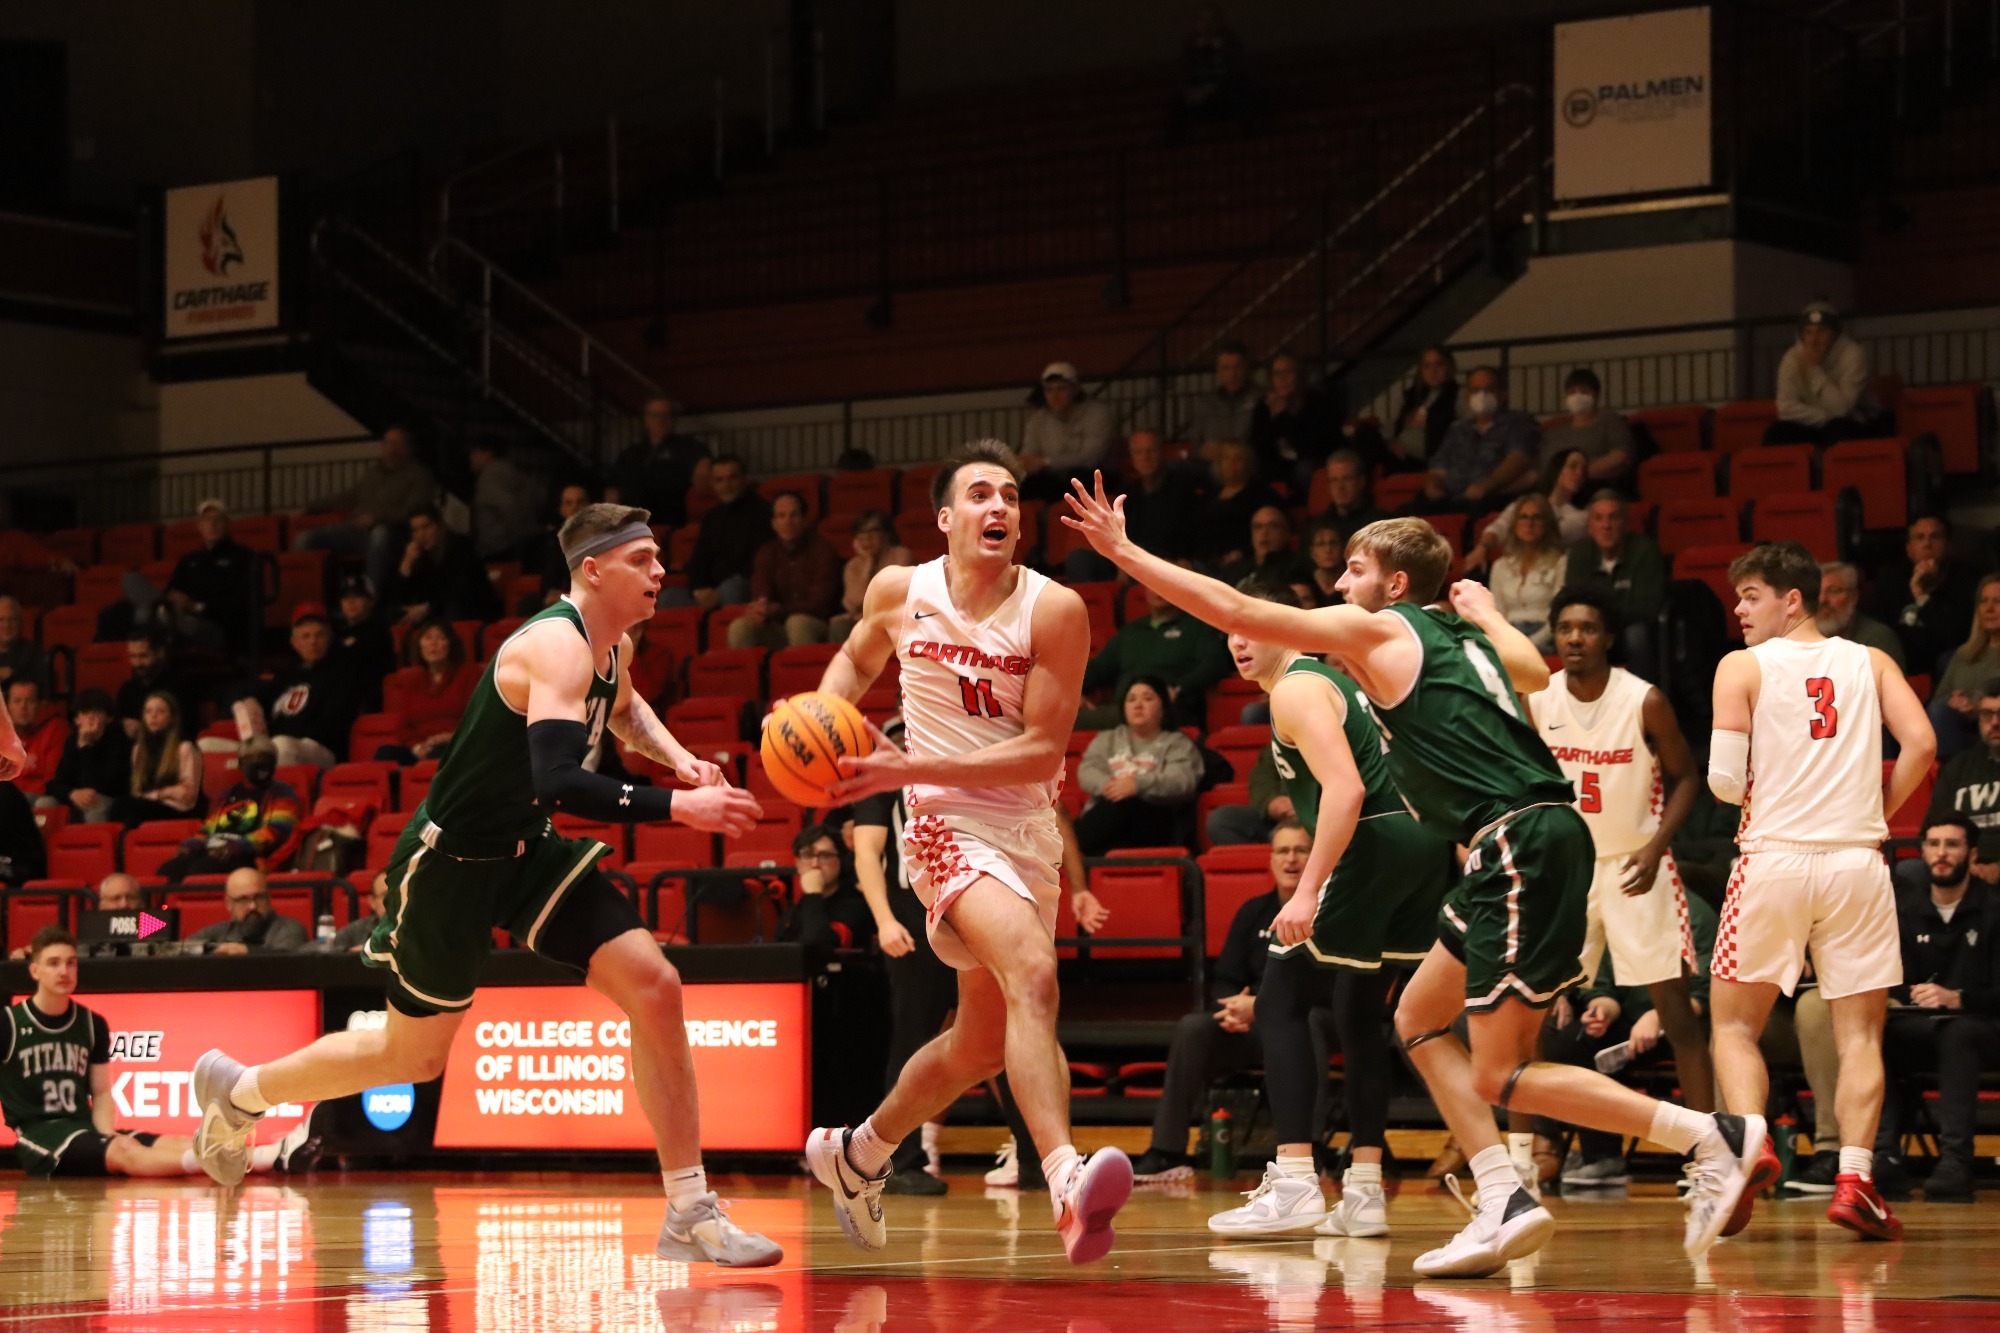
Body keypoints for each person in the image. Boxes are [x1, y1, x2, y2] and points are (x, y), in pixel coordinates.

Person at [1060, 489, 1769, 1275]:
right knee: (1419, 1016)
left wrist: (1124, 554)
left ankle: (1712, 1136)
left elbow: (1237, 606)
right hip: (1524, 841)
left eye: (1354, 569)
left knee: (1502, 1070)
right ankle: (1503, 1192)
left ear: (1393, 585)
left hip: (1516, 840)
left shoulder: (1380, 629)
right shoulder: (1462, 630)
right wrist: (1490, 609)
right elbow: (1535, 668)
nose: (1338, 585)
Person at [189, 501, 777, 1269]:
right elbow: (560, 778)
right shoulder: (554, 646)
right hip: (451, 865)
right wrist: (679, 803)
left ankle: (689, 1208)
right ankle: (243, 1092)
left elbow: (626, 710)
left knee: (656, 984)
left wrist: (679, 758)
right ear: (592, 570)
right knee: (413, 1056)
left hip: (523, 848)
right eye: (642, 559)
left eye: (660, 557)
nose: (661, 571)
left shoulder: (612, 646)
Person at [802, 439, 1133, 1265]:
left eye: (1011, 497)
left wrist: (907, 757)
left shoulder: (1054, 609)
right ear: (946, 519)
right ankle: (1064, 1177)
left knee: (981, 1043)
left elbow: (1040, 753)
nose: (999, 508)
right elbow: (853, 657)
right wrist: (817, 720)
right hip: (941, 821)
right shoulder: (897, 591)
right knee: (1035, 972)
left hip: (1024, 824)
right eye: (980, 494)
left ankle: (859, 1152)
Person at [1707, 541, 1935, 1241]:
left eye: (1750, 595)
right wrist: (1876, 811)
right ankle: (1857, 1178)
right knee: (1860, 1031)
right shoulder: (1871, 661)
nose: (1739, 610)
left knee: (1734, 1024)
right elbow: (1923, 743)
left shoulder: (1741, 667)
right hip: (1857, 862)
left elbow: (1722, 779)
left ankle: (1751, 1147)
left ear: (1792, 598)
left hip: (1774, 857)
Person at [1203, 606, 1455, 1239]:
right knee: (1357, 1012)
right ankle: (1365, 1189)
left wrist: (1307, 889)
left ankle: (1294, 1178)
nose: (1240, 639)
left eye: (1252, 625)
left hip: (1372, 841)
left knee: (1281, 999)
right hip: (1421, 844)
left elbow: (1345, 792)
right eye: (1231, 630)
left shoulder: (1297, 687)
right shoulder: (1335, 681)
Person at [1529, 586, 1713, 1130]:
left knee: (1675, 1011)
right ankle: (1526, 1157)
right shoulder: (1538, 697)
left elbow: (1686, 778)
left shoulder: (1644, 699)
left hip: (1634, 865)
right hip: (1567, 867)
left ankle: (1707, 1146)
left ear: (1608, 638)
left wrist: (1656, 848)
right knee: (1530, 1007)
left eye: (1587, 628)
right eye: (1565, 629)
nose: (1575, 638)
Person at [1, 926, 313, 1178]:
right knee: (126, 1152)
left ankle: (275, 1155)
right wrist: (110, 1143)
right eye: (53, 963)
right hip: (40, 1136)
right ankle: (250, 1160)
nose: (64, 971)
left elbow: (103, 1093)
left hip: (82, 1125)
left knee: (175, 1141)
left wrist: (105, 1135)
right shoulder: (10, 1023)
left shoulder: (91, 1022)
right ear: (34, 971)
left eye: (71, 963)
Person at [1129, 819, 1315, 1183]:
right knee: (1194, 1028)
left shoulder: (1325, 913)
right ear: (1271, 860)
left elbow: (1327, 988)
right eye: (1282, 850)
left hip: (1304, 1028)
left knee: (1314, 1024)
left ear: (1316, 858)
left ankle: (1311, 1151)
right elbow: (1226, 977)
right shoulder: (1252, 912)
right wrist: (1232, 1009)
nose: (1291, 859)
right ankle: (1167, 1151)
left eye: (1301, 850)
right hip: (1252, 1029)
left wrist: (1259, 1006)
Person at [848, 716, 956, 1196]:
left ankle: (1037, 1157)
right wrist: (884, 920)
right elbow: (866, 854)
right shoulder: (880, 780)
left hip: (966, 905)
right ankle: (900, 1157)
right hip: (911, 916)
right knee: (913, 1035)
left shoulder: (958, 766)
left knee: (992, 1031)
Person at [1542, 892, 1718, 1188]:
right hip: (1629, 1022)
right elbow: (1599, 977)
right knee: (1572, 1040)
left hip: (1692, 1019)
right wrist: (1602, 1007)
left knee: (1688, 1035)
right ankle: (1601, 1157)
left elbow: (1709, 986)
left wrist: (1659, 1016)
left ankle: (1705, 1158)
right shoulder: (1611, 908)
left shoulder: (1692, 912)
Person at [1874, 815, 1995, 1201]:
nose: (1942, 854)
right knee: (1877, 1031)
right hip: (1922, 1026)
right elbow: (1896, 977)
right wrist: (1908, 996)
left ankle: (1956, 1161)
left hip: (1984, 1028)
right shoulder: (1906, 909)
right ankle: (1883, 1158)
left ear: (1971, 854)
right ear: (1922, 850)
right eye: (1934, 844)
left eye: (1952, 845)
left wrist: (1959, 998)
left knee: (1959, 1032)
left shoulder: (1993, 909)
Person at [293, 426, 439, 594]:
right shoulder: (373, 473)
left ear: (408, 448)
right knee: (305, 539)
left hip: (396, 533)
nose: (391, 449)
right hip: (358, 532)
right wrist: (311, 506)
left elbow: (415, 510)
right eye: (388, 443)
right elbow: (348, 497)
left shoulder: (420, 475)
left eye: (397, 444)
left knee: (380, 535)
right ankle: (313, 597)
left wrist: (376, 519)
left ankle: (369, 596)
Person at [1073, 677, 1203, 855]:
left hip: (1154, 818)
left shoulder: (1177, 743)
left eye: (1147, 698)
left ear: (1163, 707)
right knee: (1112, 836)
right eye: (1131, 699)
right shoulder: (1107, 739)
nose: (1138, 705)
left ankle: (1069, 847)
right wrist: (1112, 786)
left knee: (1123, 805)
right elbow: (1086, 771)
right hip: (1107, 818)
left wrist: (1136, 785)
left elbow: (1181, 781)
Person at [1078, 583, 1231, 730]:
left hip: (1171, 707)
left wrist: (1179, 689)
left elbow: (1214, 664)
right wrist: (1074, 694)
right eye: (1152, 583)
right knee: (1065, 716)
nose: (1158, 589)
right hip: (1124, 707)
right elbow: (1097, 669)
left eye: (1165, 584)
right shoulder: (1131, 631)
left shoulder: (1197, 627)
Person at [233, 606, 360, 769]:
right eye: (306, 636)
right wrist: (249, 700)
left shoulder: (341, 673)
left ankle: (277, 794)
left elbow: (331, 726)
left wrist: (277, 734)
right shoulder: (287, 674)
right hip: (278, 743)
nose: (313, 641)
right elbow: (255, 692)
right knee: (207, 745)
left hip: (321, 749)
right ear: (295, 643)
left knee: (281, 746)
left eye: (319, 635)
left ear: (329, 638)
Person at [158, 738, 303, 878]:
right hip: (213, 849)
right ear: (241, 764)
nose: (258, 762)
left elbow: (277, 831)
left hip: (247, 856)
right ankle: (167, 905)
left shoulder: (282, 792)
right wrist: (191, 845)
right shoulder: (229, 794)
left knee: (201, 870)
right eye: (251, 758)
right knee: (168, 870)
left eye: (264, 757)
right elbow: (208, 828)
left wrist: (236, 847)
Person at [1068, 430, 1199, 581]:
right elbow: (1119, 535)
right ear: (1132, 457)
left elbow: (1188, 539)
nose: (1145, 457)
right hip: (1129, 558)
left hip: (1164, 562)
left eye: (1151, 451)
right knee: (1079, 559)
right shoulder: (1127, 492)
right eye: (1139, 452)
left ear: (1162, 452)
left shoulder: (1182, 490)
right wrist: (1122, 562)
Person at [1562, 492, 1667, 667]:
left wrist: (1603, 616)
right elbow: (1573, 601)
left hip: (1628, 630)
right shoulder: (1580, 555)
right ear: (1590, 526)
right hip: (1591, 628)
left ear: (1625, 524)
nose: (1606, 525)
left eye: (1613, 518)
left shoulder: (1646, 552)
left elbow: (1647, 608)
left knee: (1637, 635)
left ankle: (1641, 693)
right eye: (1598, 518)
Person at [727, 492, 842, 649]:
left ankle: (805, 673)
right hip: (778, 624)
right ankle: (748, 673)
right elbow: (761, 593)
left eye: (793, 515)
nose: (788, 522)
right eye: (781, 516)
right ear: (774, 523)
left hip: (819, 623)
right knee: (739, 627)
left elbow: (819, 604)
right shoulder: (766, 552)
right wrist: (761, 608)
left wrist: (779, 609)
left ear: (804, 520)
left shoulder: (823, 550)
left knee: (797, 623)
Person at [1768, 302, 1885, 447]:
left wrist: (1814, 370)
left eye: (1821, 332)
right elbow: (1785, 408)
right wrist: (1824, 416)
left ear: (1834, 335)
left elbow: (1842, 410)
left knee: (1839, 430)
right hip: (1814, 422)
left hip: (1857, 423)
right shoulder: (1792, 358)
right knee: (1777, 433)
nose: (1814, 340)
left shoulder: (1852, 355)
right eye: (1808, 332)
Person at [1424, 366, 1538, 510]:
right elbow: (1438, 468)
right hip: (1450, 499)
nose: (1482, 395)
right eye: (1475, 390)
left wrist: (1487, 485)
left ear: (1503, 394)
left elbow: (1518, 457)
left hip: (1493, 498)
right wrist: (1434, 486)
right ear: (1467, 396)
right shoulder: (1458, 429)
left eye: (1489, 389)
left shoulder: (1518, 422)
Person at [1917, 679, 2000, 876]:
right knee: (1908, 871)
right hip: (1960, 869)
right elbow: (1932, 826)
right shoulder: (1959, 767)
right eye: (1987, 715)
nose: (1995, 722)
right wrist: (1963, 867)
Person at [164, 498, 258, 657]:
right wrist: (175, 601)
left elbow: (238, 604)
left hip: (219, 627)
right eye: (207, 520)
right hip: (181, 615)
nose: (212, 525)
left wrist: (195, 607)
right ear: (199, 526)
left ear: (228, 524)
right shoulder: (190, 560)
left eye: (218, 520)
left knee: (165, 621)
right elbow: (173, 589)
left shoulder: (243, 557)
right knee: (132, 585)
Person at [382, 505, 497, 625]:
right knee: (392, 614)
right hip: (433, 612)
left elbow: (461, 590)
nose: (421, 535)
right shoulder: (418, 557)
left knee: (453, 609)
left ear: (440, 526)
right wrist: (405, 566)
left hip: (468, 609)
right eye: (416, 530)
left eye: (426, 527)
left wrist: (427, 608)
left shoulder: (461, 547)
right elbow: (397, 597)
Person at [1926, 573, 2000, 760]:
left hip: (1993, 726)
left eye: (1997, 601)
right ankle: (1947, 778)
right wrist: (1955, 700)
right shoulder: (1964, 654)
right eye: (1984, 602)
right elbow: (1940, 698)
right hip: (1958, 733)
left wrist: (1977, 707)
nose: (1989, 608)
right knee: (1939, 710)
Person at [382, 618, 477, 762]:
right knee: (385, 753)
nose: (434, 644)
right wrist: (417, 746)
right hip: (423, 747)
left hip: (456, 745)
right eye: (428, 638)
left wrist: (452, 736)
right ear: (420, 646)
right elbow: (404, 726)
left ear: (451, 644)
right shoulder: (412, 680)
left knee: (440, 752)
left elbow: (478, 718)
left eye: (440, 638)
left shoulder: (469, 674)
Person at [606, 398, 711, 528]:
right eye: (656, 415)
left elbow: (703, 478)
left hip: (673, 522)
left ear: (673, 419)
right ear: (646, 419)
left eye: (666, 415)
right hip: (634, 524)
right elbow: (613, 489)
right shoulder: (630, 454)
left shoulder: (690, 449)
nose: (661, 420)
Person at [1483, 494, 1567, 652]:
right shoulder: (1500, 566)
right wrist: (1508, 641)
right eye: (1523, 517)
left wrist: (1528, 644)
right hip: (1509, 635)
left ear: (1547, 524)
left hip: (1544, 636)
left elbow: (1559, 616)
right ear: (1515, 524)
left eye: (1536, 518)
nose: (1529, 524)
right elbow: (1498, 614)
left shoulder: (1560, 563)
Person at [683, 455, 770, 609]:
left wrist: (717, 592)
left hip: (744, 585)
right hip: (712, 589)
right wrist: (698, 589)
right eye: (719, 480)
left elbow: (760, 561)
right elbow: (699, 559)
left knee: (732, 589)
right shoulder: (711, 517)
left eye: (732, 478)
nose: (726, 486)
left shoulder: (763, 512)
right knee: (668, 598)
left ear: (745, 479)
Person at [1020, 362, 1114, 500]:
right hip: (1054, 478)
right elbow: (1028, 455)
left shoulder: (1098, 414)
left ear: (1075, 389)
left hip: (1094, 477)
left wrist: (1046, 462)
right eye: (1049, 390)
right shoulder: (1039, 419)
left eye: (1061, 389)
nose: (1055, 395)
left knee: (1079, 478)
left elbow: (1090, 459)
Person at [775, 824, 876, 949]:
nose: (815, 864)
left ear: (841, 861)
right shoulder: (793, 911)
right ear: (797, 863)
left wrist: (813, 893)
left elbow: (818, 944)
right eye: (807, 855)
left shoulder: (856, 906)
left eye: (825, 855)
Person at [108, 691, 201, 826]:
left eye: (160, 711)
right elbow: (137, 790)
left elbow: (187, 794)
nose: (153, 716)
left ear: (172, 717)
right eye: (148, 711)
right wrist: (163, 794)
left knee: (135, 809)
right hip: (147, 805)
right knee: (118, 807)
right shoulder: (138, 749)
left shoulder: (184, 747)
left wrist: (157, 795)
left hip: (177, 809)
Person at [1250, 353, 1336, 496]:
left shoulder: (1317, 404)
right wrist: (1274, 419)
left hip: (1311, 461)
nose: (1282, 379)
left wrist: (1283, 416)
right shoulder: (1265, 405)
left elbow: (1309, 446)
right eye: (1277, 374)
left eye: (1287, 373)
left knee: (1304, 470)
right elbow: (1258, 445)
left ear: (1299, 375)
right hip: (1276, 465)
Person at [1536, 369, 1636, 487]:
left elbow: (1620, 456)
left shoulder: (1609, 421)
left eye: (1584, 392)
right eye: (1572, 392)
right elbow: (1540, 468)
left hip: (1594, 486)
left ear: (1595, 395)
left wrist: (1578, 474)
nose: (1577, 397)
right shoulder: (1554, 433)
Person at [40, 690, 126, 824]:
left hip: (108, 797)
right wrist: (71, 794)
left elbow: (104, 785)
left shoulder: (118, 740)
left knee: (94, 803)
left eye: (97, 712)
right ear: (77, 720)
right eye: (85, 713)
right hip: (76, 796)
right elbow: (55, 783)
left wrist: (86, 747)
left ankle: (94, 843)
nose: (91, 718)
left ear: (108, 718)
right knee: (45, 803)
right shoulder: (72, 741)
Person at [831, 510, 912, 644]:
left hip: (897, 617)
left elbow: (892, 599)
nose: (867, 538)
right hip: (864, 619)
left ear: (886, 534)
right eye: (862, 533)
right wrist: (868, 564)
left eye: (874, 531)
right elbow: (853, 602)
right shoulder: (853, 565)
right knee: (839, 625)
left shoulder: (901, 556)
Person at [186, 868, 310, 954]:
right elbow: (183, 949)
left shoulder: (289, 928)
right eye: (243, 900)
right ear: (229, 904)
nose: (252, 906)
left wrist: (246, 952)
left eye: (259, 897)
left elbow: (288, 960)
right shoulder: (219, 931)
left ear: (269, 898)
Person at [467, 439, 545, 560]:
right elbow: (538, 496)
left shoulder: (490, 477)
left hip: (500, 548)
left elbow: (508, 506)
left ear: (487, 453)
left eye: (474, 452)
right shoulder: (513, 471)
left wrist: (518, 536)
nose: (470, 457)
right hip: (516, 544)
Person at [1817, 561, 1904, 669]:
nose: (1822, 600)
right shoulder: (1806, 639)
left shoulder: (1877, 639)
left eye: (1833, 591)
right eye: (1817, 593)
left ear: (1853, 597)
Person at [1385, 347, 1459, 471]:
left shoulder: (1455, 396)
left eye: (1438, 364)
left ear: (1448, 367)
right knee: (1365, 435)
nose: (1433, 371)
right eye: (1427, 366)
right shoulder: (1411, 396)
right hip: (1396, 451)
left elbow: (1470, 422)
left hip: (1421, 459)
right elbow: (1392, 424)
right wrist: (1390, 443)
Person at [334, 574, 398, 710]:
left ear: (371, 601)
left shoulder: (378, 631)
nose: (350, 603)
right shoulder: (338, 631)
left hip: (370, 701)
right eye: (346, 598)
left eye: (357, 597)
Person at [115, 629, 191, 740]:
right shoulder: (127, 689)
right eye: (133, 657)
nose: (137, 663)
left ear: (159, 653)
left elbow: (187, 726)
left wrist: (144, 729)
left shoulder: (179, 685)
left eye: (143, 656)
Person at [1184, 343, 1259, 452]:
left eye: (1237, 367)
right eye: (1226, 368)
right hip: (1213, 465)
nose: (1232, 374)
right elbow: (1195, 441)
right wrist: (1203, 451)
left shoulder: (1261, 399)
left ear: (1246, 368)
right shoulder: (1205, 403)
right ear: (1218, 371)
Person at [3, 677, 66, 800]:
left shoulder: (56, 729)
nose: (23, 707)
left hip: (39, 797)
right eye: (17, 701)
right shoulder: (3, 732)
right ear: (8, 706)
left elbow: (52, 781)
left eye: (30, 701)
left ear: (40, 704)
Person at [1234, 506, 1307, 597]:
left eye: (1273, 526)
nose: (1264, 532)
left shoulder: (1296, 569)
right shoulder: (1237, 568)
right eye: (1258, 527)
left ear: (1287, 533)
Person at [1319, 450, 1389, 530]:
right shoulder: (1320, 527)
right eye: (1334, 480)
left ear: (1361, 482)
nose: (1340, 486)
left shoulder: (1379, 524)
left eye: (1347, 479)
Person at [328, 872, 389, 951]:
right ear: (372, 902)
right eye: (385, 895)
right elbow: (320, 950)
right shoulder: (359, 929)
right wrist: (349, 954)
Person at [0, 597, 48, 693]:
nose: (7, 625)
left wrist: (11, 676)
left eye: (12, 620)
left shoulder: (33, 652)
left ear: (21, 623)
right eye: (1, 620)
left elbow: (42, 687)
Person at [1298, 518, 1346, 609]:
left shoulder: (1352, 581)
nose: (1328, 550)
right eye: (1321, 544)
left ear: (1343, 548)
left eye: (1333, 543)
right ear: (1312, 552)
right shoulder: (1304, 581)